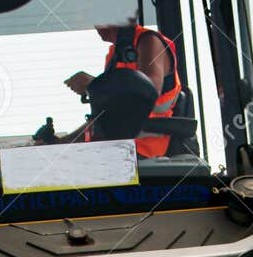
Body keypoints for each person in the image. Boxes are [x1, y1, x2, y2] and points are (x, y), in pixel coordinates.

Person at [62, 22, 183, 157]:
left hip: (142, 151)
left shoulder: (149, 41)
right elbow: (103, 118)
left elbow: (149, 90)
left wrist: (97, 84)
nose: (96, 26)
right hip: (116, 148)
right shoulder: (117, 54)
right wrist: (62, 142)